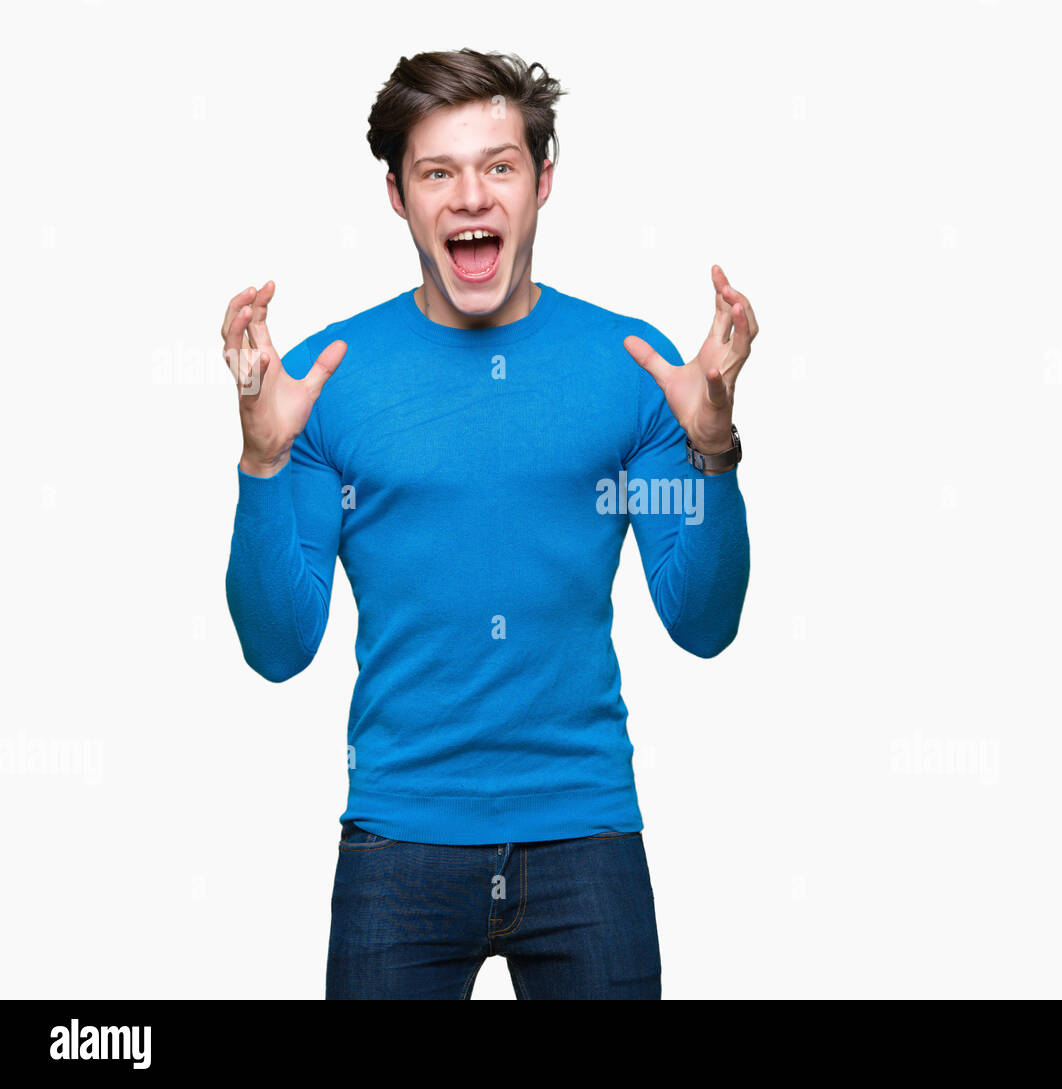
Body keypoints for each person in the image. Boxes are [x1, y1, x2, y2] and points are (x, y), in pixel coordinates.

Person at [222, 48, 755, 999]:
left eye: (499, 166)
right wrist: (264, 465)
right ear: (398, 194)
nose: (471, 197)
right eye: (438, 171)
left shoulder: (633, 366)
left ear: (543, 182)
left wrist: (712, 449)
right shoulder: (326, 380)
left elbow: (702, 622)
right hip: (398, 843)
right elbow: (276, 648)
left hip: (586, 836)